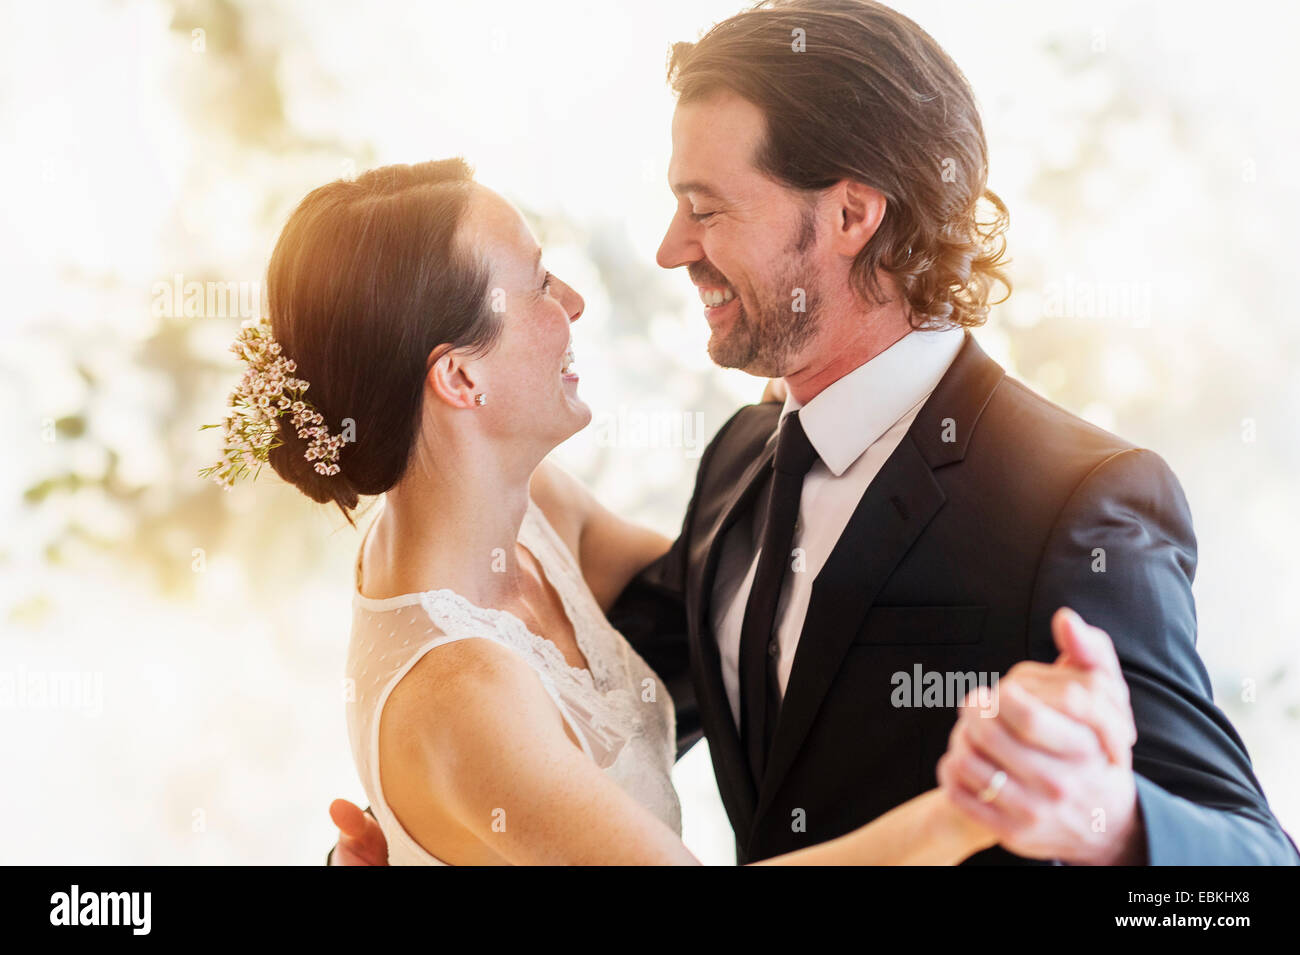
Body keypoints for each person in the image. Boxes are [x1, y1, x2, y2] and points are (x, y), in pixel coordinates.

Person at [326, 0, 1297, 866]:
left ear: (850, 214)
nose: (670, 250)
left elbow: (1250, 866)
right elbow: (560, 700)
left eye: (704, 209)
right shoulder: (742, 462)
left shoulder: (1076, 501)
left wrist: (1114, 821)